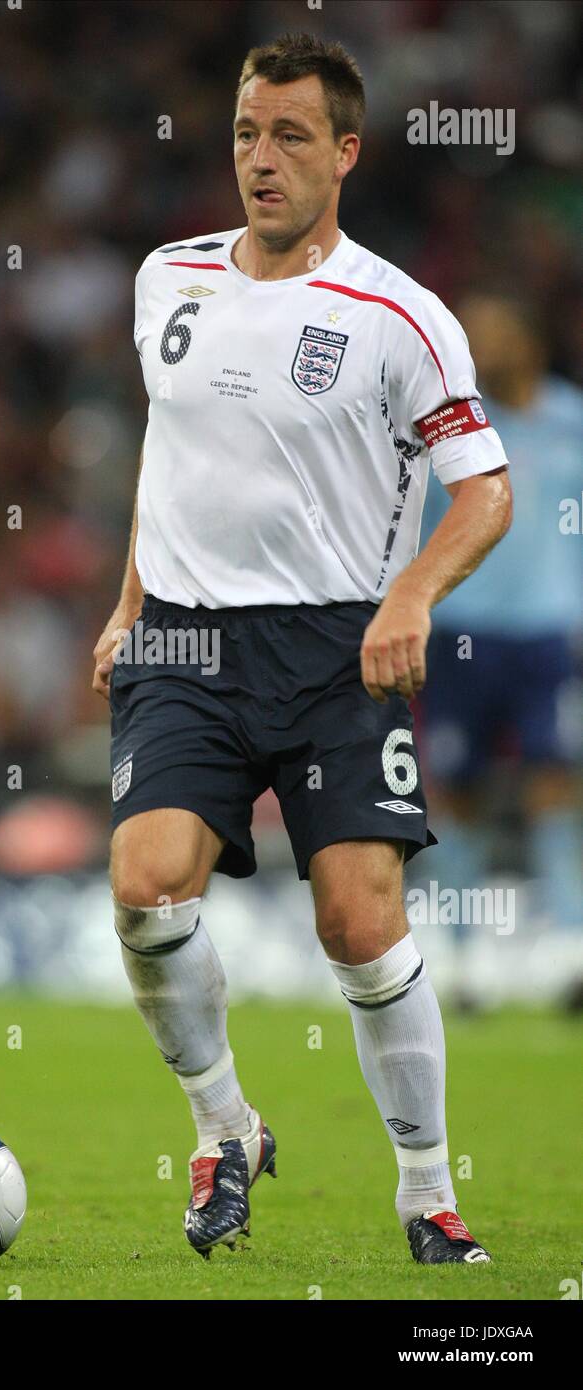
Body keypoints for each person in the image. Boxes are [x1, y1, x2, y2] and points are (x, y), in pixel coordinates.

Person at [92, 33, 511, 1265]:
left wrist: (413, 595)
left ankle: (427, 1194)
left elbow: (482, 489)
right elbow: (168, 460)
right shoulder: (167, 276)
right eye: (242, 134)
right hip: (184, 638)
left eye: (287, 136)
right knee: (144, 882)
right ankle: (227, 1127)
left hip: (339, 647)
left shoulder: (400, 314)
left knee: (357, 920)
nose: (259, 160)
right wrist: (127, 603)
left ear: (346, 151)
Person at [419, 294, 583, 941]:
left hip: (547, 633)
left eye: (495, 331)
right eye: (472, 334)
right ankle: (457, 944)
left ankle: (570, 942)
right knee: (457, 786)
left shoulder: (571, 420)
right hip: (463, 629)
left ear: (528, 339)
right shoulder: (449, 430)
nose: (483, 346)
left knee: (554, 778)